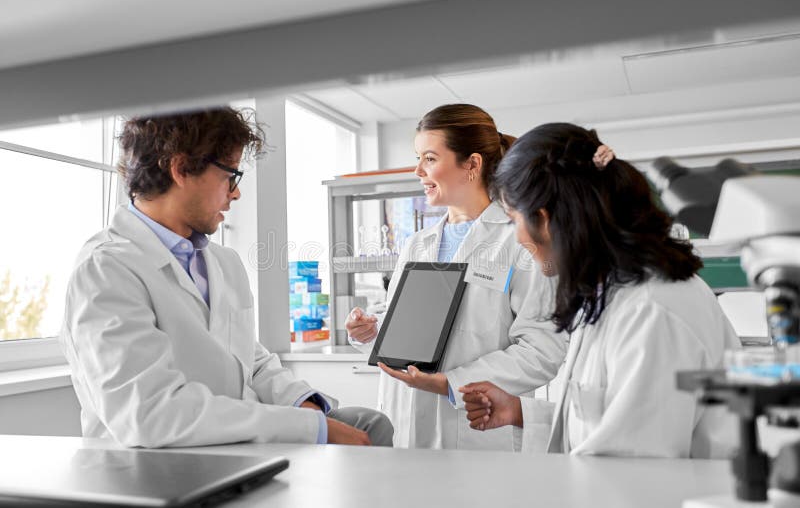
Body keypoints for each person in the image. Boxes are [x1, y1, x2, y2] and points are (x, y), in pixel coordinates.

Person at [60, 107, 393, 448]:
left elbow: (249, 360)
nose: (235, 193)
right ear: (180, 169)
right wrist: (309, 428)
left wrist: (304, 406)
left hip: (236, 442)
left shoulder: (223, 262)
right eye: (229, 176)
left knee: (370, 424)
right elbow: (151, 414)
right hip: (160, 462)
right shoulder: (106, 269)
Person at [459, 123, 739, 457]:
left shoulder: (651, 310)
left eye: (514, 219)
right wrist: (520, 412)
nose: (517, 238)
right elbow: (608, 420)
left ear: (544, 219)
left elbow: (635, 466)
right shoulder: (611, 294)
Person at [347, 104, 567, 450]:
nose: (418, 170)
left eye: (430, 158)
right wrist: (372, 332)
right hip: (405, 424)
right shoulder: (417, 244)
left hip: (475, 431)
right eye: (418, 158)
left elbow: (542, 350)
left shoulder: (519, 240)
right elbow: (407, 330)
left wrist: (452, 382)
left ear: (472, 164)